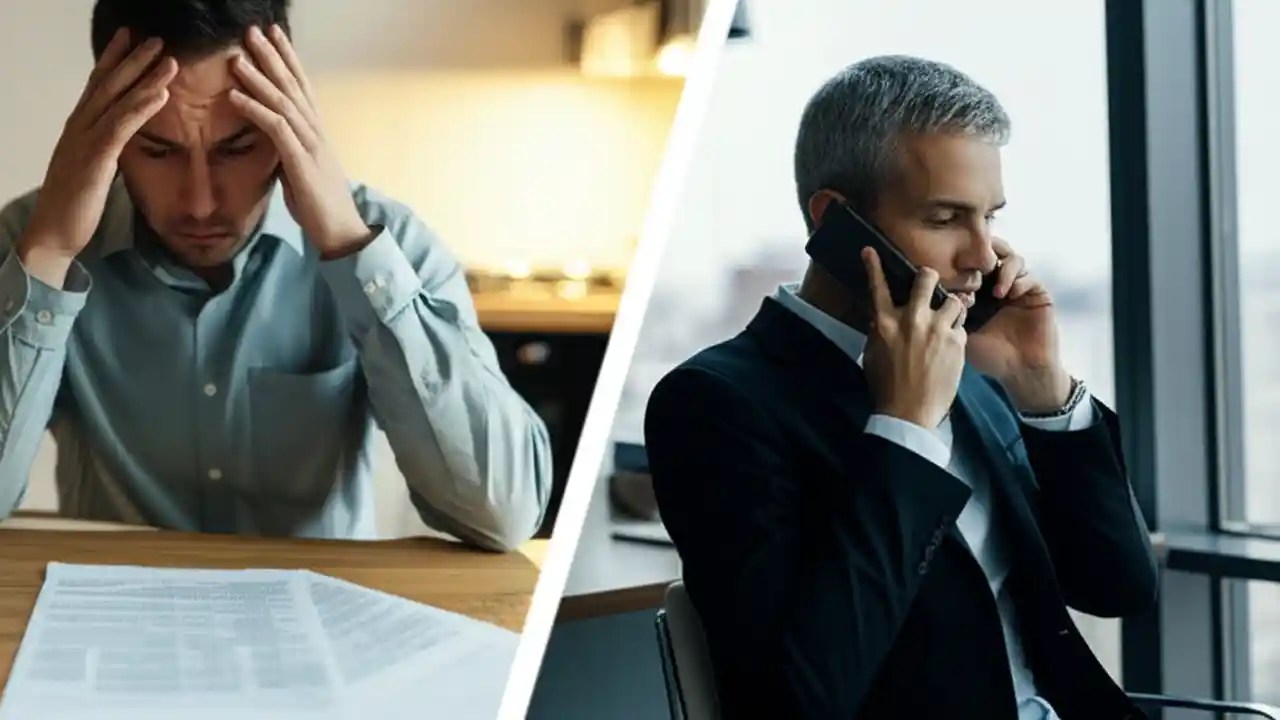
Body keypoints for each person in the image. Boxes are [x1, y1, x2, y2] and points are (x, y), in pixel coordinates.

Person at [645, 55, 1158, 719]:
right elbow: (796, 702)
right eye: (945, 219)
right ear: (835, 220)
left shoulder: (978, 371)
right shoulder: (715, 404)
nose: (981, 256)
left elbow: (1117, 587)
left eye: (990, 218)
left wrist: (1042, 389)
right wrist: (905, 430)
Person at [0, 0, 552, 551]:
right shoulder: (29, 241)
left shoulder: (391, 246)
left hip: (326, 616)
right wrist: (48, 255)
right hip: (107, 612)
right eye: (158, 149)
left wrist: (347, 247)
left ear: (290, 114)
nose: (199, 203)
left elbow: (502, 514)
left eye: (238, 146)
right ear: (105, 132)